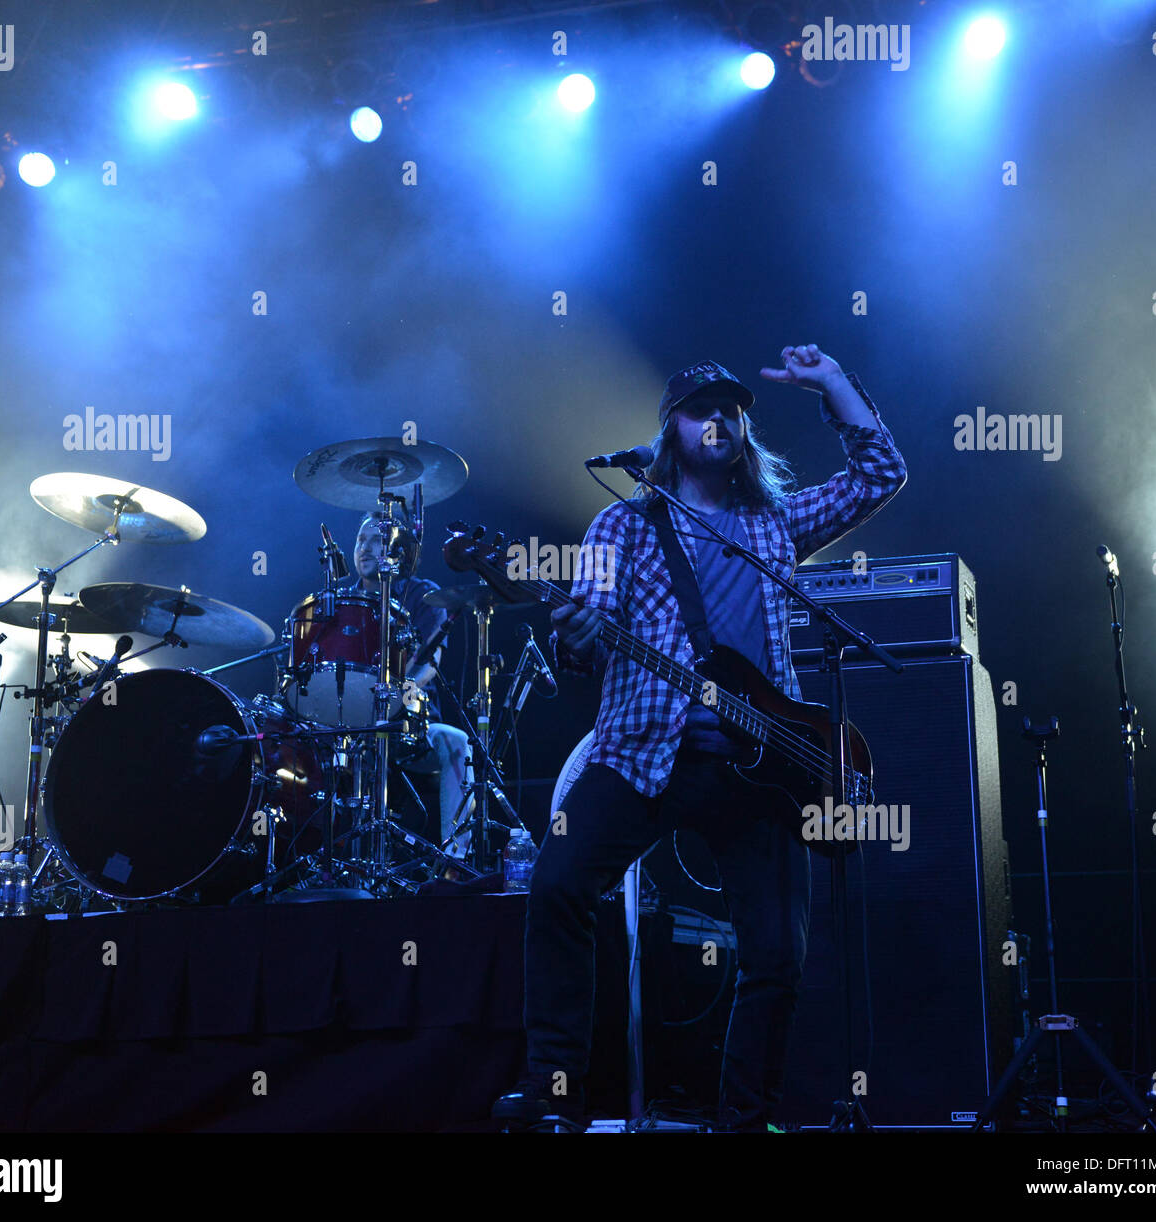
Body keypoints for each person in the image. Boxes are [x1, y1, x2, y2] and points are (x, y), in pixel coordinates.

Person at [492, 345, 907, 1131]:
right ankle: (555, 1095)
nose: (717, 420)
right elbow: (585, 625)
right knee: (558, 888)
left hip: (769, 762)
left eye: (731, 409)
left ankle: (745, 1119)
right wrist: (576, 631)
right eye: (698, 409)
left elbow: (878, 476)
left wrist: (831, 383)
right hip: (648, 751)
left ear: (744, 427)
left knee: (778, 959)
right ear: (668, 430)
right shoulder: (622, 521)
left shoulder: (773, 522)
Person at [350, 510, 472, 857]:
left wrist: (397, 697)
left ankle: (455, 859)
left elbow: (428, 664)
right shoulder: (341, 601)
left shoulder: (423, 595)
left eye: (376, 540)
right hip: (349, 723)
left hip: (410, 723)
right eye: (361, 540)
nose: (365, 548)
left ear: (397, 552)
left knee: (457, 742)